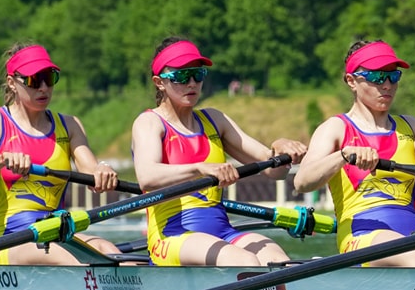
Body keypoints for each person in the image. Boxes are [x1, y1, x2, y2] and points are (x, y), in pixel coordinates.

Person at [293, 39, 415, 267]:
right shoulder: (336, 128)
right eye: (377, 77)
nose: (387, 85)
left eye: (393, 76)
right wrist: (344, 155)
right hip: (361, 237)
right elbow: (302, 182)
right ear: (351, 81)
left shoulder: (411, 126)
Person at [131, 36, 307, 267]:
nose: (192, 83)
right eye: (182, 76)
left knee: (277, 259)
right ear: (159, 82)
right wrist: (199, 168)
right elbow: (148, 177)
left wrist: (280, 146)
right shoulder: (149, 123)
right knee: (244, 261)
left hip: (222, 232)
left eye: (198, 74)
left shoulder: (215, 119)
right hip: (171, 236)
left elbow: (275, 172)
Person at [0, 43, 123, 265]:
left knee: (109, 251)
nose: (44, 88)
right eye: (34, 80)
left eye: (49, 78)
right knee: (74, 258)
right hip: (9, 240)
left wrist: (102, 170)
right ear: (12, 83)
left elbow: (91, 172)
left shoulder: (70, 125)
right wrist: (2, 159)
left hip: (57, 231)